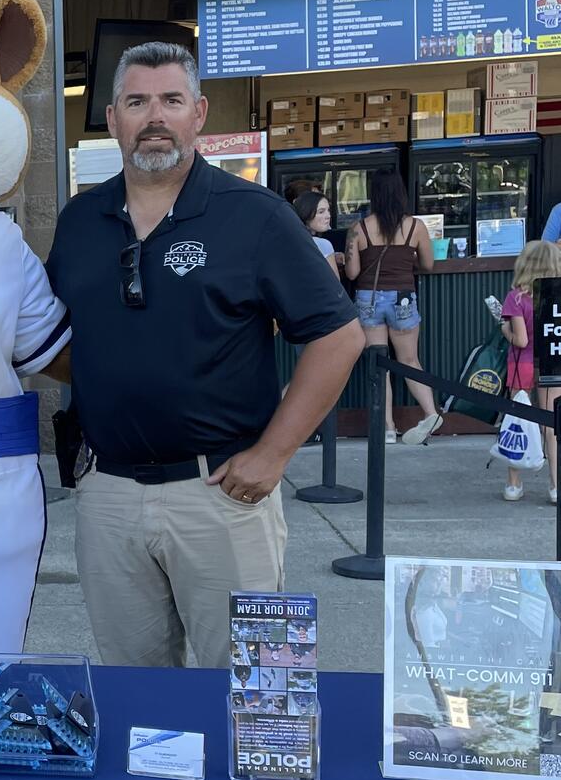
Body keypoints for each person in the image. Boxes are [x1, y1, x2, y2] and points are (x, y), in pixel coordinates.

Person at [46, 42, 361, 670]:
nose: (154, 116)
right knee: (136, 690)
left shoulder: (256, 217)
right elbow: (57, 342)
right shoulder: (81, 221)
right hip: (107, 493)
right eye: (137, 101)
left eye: (171, 99)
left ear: (199, 114)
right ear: (112, 119)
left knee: (249, 690)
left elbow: (339, 336)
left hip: (220, 493)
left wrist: (273, 455)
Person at [343, 170, 443, 446]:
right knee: (410, 361)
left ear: (373, 195)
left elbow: (352, 273)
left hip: (369, 299)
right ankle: (431, 413)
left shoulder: (358, 229)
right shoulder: (416, 226)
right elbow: (428, 265)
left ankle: (387, 428)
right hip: (403, 299)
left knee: (379, 366)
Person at [500, 240, 561, 505]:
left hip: (522, 364)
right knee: (551, 424)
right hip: (553, 362)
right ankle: (556, 485)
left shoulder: (516, 297)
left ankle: (514, 483)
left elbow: (520, 341)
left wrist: (503, 328)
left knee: (517, 421)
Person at [288, 189, 338, 270]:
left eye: (328, 210)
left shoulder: (289, 242)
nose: (328, 216)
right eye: (321, 212)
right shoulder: (324, 245)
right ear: (306, 213)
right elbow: (334, 281)